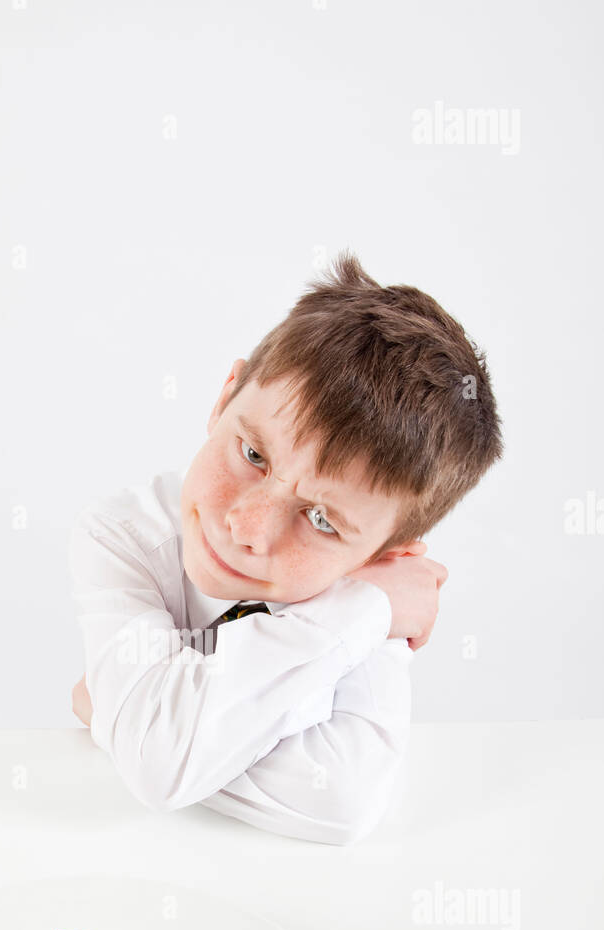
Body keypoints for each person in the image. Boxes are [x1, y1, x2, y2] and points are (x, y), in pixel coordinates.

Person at [68, 253, 502, 845]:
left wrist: (118, 721)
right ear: (225, 398)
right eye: (252, 455)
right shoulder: (124, 534)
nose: (248, 528)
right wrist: (140, 738)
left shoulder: (371, 591)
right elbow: (157, 760)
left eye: (321, 520)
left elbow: (342, 800)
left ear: (387, 555)